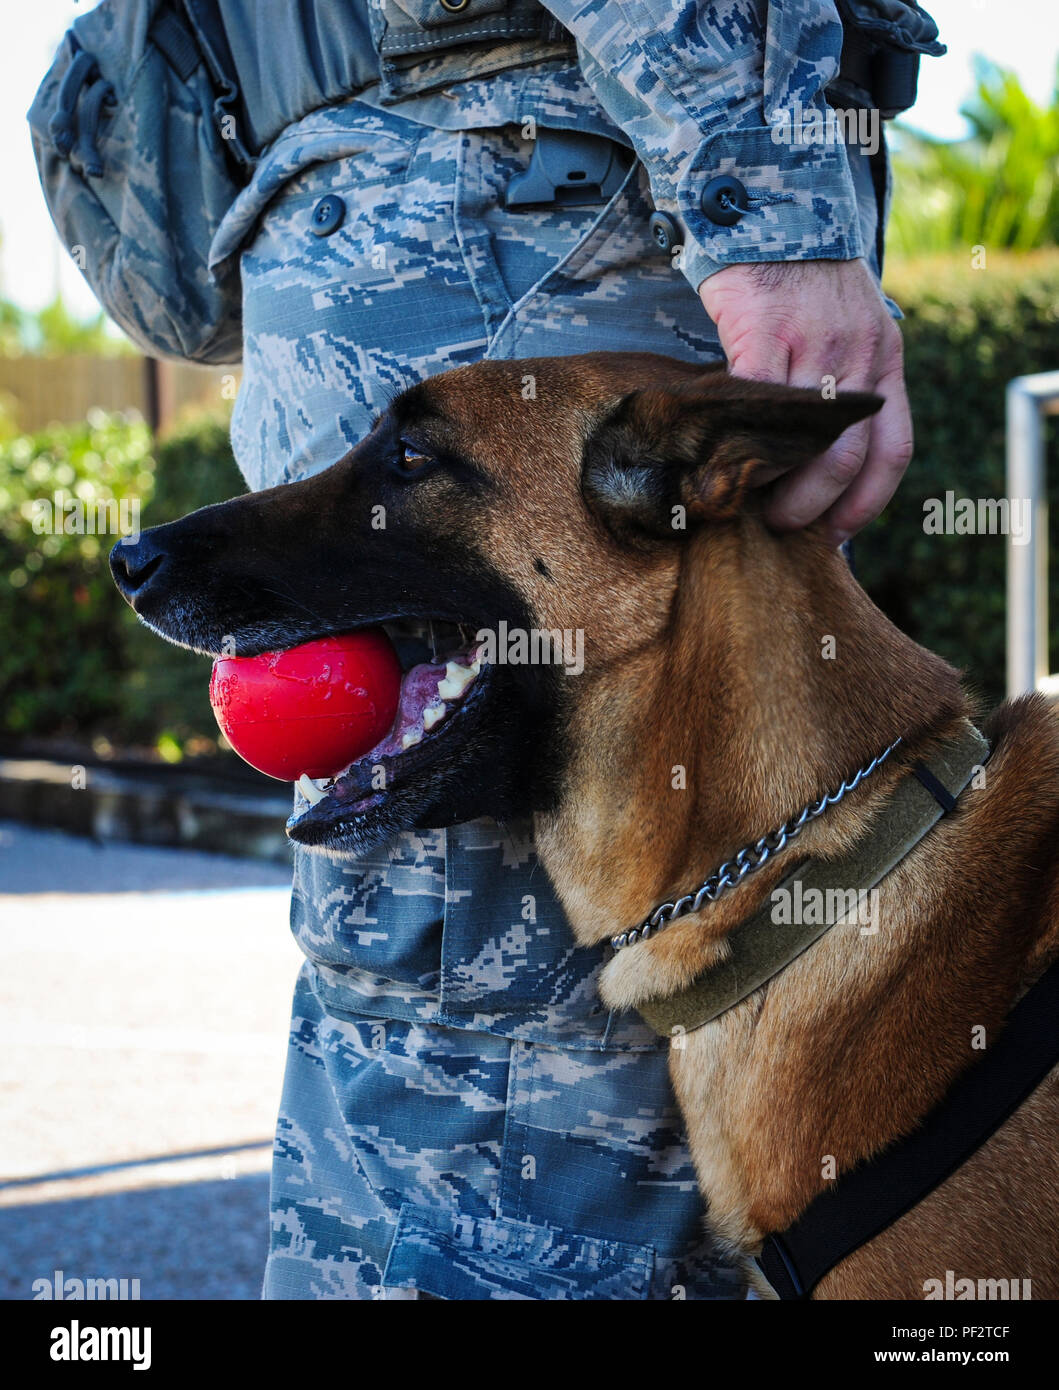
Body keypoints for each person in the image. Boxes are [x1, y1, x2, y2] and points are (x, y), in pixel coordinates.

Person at [31, 0, 945, 1299]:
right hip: (540, 220)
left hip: (435, 209)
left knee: (450, 1066)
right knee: (548, 1077)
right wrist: (774, 217)